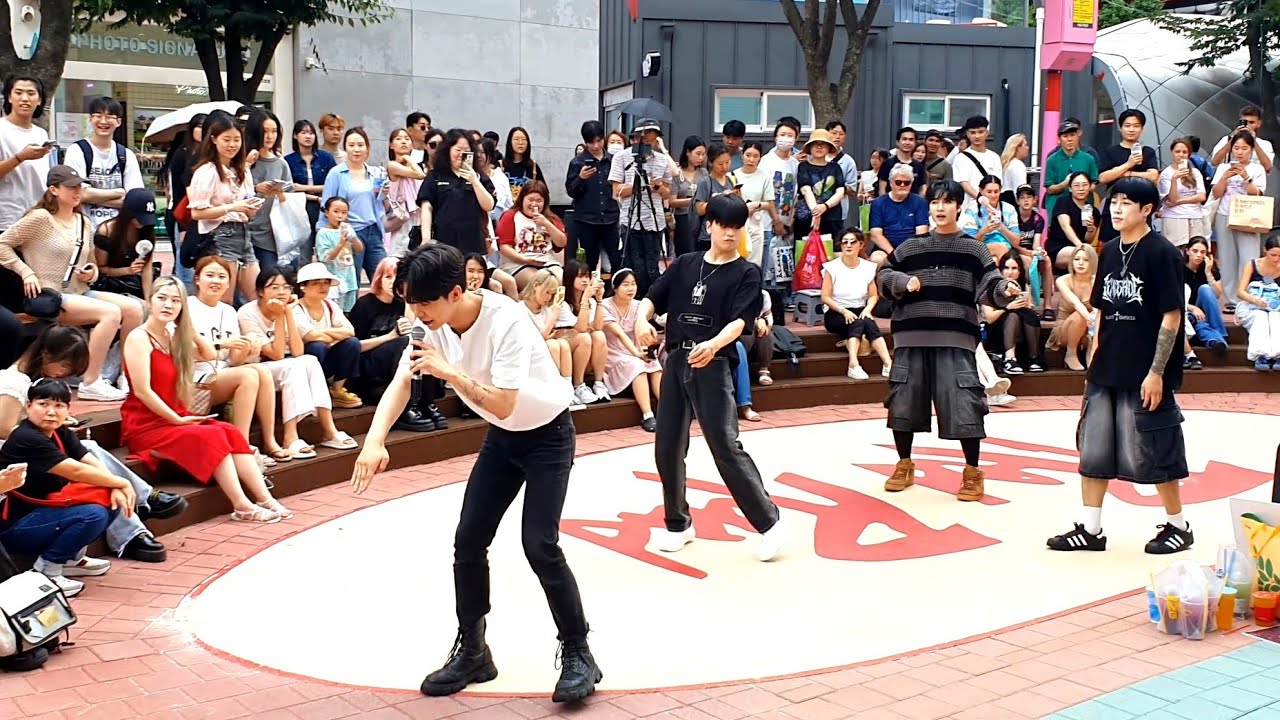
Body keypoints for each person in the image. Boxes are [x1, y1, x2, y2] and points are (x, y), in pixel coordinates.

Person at [350, 244, 601, 702]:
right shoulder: (431, 324)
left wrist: (450, 372)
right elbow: (403, 381)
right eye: (411, 303)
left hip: (548, 435)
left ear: (456, 292)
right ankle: (473, 651)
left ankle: (579, 651)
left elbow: (502, 400)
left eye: (426, 303)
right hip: (503, 439)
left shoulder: (505, 320)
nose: (418, 314)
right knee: (468, 540)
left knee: (539, 544)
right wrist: (373, 440)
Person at [630, 194, 783, 560]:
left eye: (737, 226)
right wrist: (640, 320)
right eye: (724, 225)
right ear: (709, 225)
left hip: (712, 364)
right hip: (676, 361)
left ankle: (769, 523)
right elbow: (653, 297)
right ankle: (677, 523)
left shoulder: (746, 272)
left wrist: (713, 345)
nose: (730, 233)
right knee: (667, 446)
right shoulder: (686, 263)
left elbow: (741, 321)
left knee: (725, 446)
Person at [1047, 177, 1193, 555]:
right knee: (1092, 450)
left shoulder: (1162, 253)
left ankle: (1178, 525)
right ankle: (1091, 530)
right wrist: (1093, 361)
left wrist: (1157, 372)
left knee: (1158, 447)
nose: (1115, 209)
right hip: (1106, 369)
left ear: (1147, 210)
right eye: (1113, 202)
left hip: (1145, 371)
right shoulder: (1109, 249)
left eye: (1126, 203)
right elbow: (1102, 312)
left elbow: (1171, 317)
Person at [876, 180, 1021, 502]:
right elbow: (883, 276)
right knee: (904, 401)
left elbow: (991, 282)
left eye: (947, 202)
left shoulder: (974, 248)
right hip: (911, 336)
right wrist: (902, 280)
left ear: (958, 207)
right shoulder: (911, 247)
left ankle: (972, 472)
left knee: (965, 405)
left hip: (956, 337)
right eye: (935, 203)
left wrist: (1005, 291)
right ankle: (904, 464)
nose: (940, 208)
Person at [0, 326, 185, 565]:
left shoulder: (32, 380)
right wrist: (45, 430)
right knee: (88, 454)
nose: (64, 374)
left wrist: (51, 421)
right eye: (65, 367)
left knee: (89, 448)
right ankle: (141, 504)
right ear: (47, 355)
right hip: (15, 457)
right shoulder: (14, 383)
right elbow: (5, 429)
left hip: (34, 448)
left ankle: (141, 501)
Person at [121, 276, 289, 523]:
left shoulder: (170, 335)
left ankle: (265, 499)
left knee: (230, 432)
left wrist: (186, 329)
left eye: (176, 301)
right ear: (150, 301)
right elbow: (143, 391)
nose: (168, 305)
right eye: (162, 298)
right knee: (212, 436)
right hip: (147, 424)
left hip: (176, 416)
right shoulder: (139, 338)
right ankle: (241, 505)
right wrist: (177, 419)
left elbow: (209, 354)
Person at [0, 165, 136, 402]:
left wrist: (91, 273)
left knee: (135, 308)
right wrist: (26, 272)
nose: (77, 191)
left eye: (79, 187)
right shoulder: (40, 218)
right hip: (49, 295)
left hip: (79, 291)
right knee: (111, 313)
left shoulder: (83, 221)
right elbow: (3, 244)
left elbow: (92, 262)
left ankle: (124, 373)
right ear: (54, 189)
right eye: (71, 187)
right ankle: (91, 381)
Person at [0, 379, 124, 597]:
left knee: (112, 500)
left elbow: (89, 460)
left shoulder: (59, 431)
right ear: (28, 406)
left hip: (43, 514)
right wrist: (121, 482)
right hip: (13, 527)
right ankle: (47, 569)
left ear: (67, 409)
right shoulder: (26, 438)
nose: (51, 412)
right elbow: (74, 471)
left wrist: (114, 485)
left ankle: (70, 559)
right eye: (43, 404)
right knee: (92, 514)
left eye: (58, 406)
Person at [238, 266, 355, 456]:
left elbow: (298, 351)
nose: (281, 292)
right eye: (274, 287)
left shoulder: (290, 309)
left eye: (285, 287)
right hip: (256, 367)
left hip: (282, 364)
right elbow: (274, 354)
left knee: (308, 360)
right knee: (295, 366)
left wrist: (288, 314)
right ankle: (290, 437)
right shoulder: (248, 313)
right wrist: (278, 317)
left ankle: (329, 430)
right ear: (261, 291)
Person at [186, 256, 289, 463]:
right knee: (248, 376)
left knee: (261, 371)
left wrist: (246, 345)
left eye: (222, 277)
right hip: (194, 376)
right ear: (197, 279)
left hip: (222, 372)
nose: (216, 281)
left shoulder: (228, 310)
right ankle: (241, 445)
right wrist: (223, 344)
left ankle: (269, 440)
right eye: (210, 275)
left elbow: (234, 360)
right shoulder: (187, 306)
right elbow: (183, 352)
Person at [348, 257, 445, 431]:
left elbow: (411, 330)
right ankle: (406, 408)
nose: (393, 282)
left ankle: (426, 402)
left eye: (398, 278)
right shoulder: (364, 305)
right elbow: (355, 347)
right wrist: (390, 336)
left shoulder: (401, 303)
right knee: (403, 344)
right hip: (369, 366)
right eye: (388, 277)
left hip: (396, 361)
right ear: (378, 279)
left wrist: (408, 298)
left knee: (418, 341)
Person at [186, 112, 261, 303]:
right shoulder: (207, 171)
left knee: (260, 297)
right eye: (226, 139)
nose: (232, 145)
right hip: (220, 236)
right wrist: (233, 207)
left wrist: (250, 207)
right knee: (222, 301)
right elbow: (197, 213)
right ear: (213, 139)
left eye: (237, 139)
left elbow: (247, 207)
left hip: (244, 234)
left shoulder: (242, 170)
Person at [610, 118, 675, 297]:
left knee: (652, 267)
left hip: (655, 221)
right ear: (635, 139)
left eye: (653, 141)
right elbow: (616, 191)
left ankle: (652, 303)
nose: (650, 144)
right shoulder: (621, 157)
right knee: (633, 266)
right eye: (646, 140)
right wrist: (639, 184)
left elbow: (667, 193)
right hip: (630, 221)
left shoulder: (661, 160)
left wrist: (657, 186)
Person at [292, 262, 365, 414]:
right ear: (303, 287)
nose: (323, 287)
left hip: (327, 356)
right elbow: (311, 335)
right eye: (316, 283)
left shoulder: (330, 305)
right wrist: (333, 334)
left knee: (352, 343)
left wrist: (323, 333)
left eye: (325, 283)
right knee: (316, 345)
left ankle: (337, 390)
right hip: (304, 360)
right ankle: (316, 392)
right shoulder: (296, 309)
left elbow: (350, 331)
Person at [62, 97, 144, 230]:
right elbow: (77, 194)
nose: (103, 121)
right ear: (90, 119)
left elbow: (135, 200)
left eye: (109, 116)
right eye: (98, 116)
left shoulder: (126, 155)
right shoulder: (77, 151)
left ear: (118, 122)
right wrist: (119, 192)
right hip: (85, 231)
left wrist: (90, 195)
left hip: (118, 232)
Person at [821, 228, 893, 380]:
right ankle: (853, 364)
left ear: (860, 245)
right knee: (858, 323)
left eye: (852, 242)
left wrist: (868, 309)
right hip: (836, 311)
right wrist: (843, 311)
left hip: (860, 308)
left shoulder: (868, 267)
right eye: (844, 242)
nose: (848, 245)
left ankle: (888, 363)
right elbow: (825, 297)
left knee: (869, 323)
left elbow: (873, 295)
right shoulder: (831, 267)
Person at [319, 127, 388, 285]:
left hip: (374, 231)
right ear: (345, 148)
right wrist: (325, 234)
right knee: (350, 282)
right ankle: (349, 311)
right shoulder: (336, 173)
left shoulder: (375, 173)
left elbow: (383, 207)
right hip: (348, 233)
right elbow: (326, 206)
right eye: (351, 145)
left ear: (367, 148)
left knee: (383, 279)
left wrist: (386, 194)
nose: (356, 149)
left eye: (360, 145)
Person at [417, 129, 496, 257]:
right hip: (443, 241)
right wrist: (425, 238)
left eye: (466, 150)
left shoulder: (479, 176)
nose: (462, 154)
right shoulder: (436, 175)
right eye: (458, 150)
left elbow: (489, 205)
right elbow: (427, 207)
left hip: (472, 242)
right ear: (448, 150)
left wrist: (474, 181)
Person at [601, 269, 663, 430]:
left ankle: (666, 411)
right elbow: (620, 334)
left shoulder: (638, 305)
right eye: (625, 285)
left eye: (633, 284)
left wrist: (643, 350)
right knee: (636, 366)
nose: (630, 288)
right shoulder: (605, 305)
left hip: (635, 349)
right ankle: (647, 414)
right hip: (614, 353)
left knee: (654, 365)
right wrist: (636, 354)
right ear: (615, 287)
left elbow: (639, 328)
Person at [1212, 130, 1268, 306]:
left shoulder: (1257, 169)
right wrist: (1225, 177)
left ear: (1251, 149)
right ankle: (1231, 298)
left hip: (1248, 215)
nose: (1240, 152)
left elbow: (1258, 194)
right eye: (1236, 148)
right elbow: (1216, 193)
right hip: (1225, 214)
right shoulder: (1223, 167)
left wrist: (1245, 177)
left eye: (1244, 148)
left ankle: (1248, 295)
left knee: (1248, 256)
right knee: (1227, 258)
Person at [0, 75, 55, 234]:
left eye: (31, 93)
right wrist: (20, 157)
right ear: (9, 97)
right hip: (7, 220)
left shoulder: (41, 134)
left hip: (39, 218)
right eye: (18, 92)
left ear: (39, 100)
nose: (25, 98)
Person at [565, 121, 619, 270]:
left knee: (616, 259)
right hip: (587, 220)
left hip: (611, 218)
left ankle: (615, 289)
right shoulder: (577, 162)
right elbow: (570, 191)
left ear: (603, 139)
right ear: (585, 142)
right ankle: (589, 290)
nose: (595, 146)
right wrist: (580, 178)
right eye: (591, 142)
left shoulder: (613, 160)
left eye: (599, 141)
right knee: (589, 261)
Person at [1097, 109, 1160, 238]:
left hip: (1139, 207)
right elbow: (1102, 178)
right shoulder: (1110, 152)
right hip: (1115, 207)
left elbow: (1153, 176)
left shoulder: (1147, 152)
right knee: (1112, 246)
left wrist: (1127, 174)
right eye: (1127, 125)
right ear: (1120, 128)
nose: (1131, 129)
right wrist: (1128, 164)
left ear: (1142, 129)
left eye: (1136, 126)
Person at [244, 110, 294, 269]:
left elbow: (289, 198)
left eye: (274, 131)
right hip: (242, 231)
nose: (270, 136)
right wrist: (255, 187)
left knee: (269, 279)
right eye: (265, 131)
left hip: (270, 234)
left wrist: (279, 192)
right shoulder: (242, 160)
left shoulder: (281, 163)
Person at [496, 181, 567, 290]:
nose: (534, 204)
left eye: (539, 201)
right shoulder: (510, 216)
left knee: (562, 281)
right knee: (538, 283)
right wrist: (525, 260)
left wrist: (547, 224)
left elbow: (562, 243)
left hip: (547, 262)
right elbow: (504, 247)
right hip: (518, 263)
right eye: (530, 200)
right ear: (522, 199)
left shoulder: (551, 219)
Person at [285, 119, 338, 264]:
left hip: (324, 208)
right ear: (295, 136)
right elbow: (289, 190)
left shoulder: (326, 158)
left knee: (326, 251)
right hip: (301, 209)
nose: (308, 136)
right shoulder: (288, 161)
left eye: (311, 133)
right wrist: (314, 197)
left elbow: (332, 184)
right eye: (303, 133)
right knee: (304, 253)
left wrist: (303, 188)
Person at [558, 259, 611, 404]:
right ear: (570, 278)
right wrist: (586, 298)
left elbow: (598, 326)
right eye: (580, 276)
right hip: (564, 349)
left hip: (583, 352)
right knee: (584, 337)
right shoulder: (562, 303)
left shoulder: (591, 302)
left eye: (587, 277)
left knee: (599, 336)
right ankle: (578, 385)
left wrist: (599, 300)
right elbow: (580, 328)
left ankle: (598, 383)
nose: (585, 280)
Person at [982, 253, 1044, 374]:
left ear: (1020, 271)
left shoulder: (1024, 287)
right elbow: (989, 318)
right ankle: (1009, 358)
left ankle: (1034, 357)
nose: (1010, 272)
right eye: (1006, 268)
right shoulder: (990, 287)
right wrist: (1007, 308)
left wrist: (1026, 305)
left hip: (1020, 333)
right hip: (996, 332)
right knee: (1012, 314)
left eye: (1014, 268)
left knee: (1029, 314)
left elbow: (1029, 309)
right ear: (1000, 270)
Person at [91, 188, 158, 300]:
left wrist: (148, 299)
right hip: (110, 285)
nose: (143, 223)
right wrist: (128, 270)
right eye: (140, 218)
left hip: (135, 284)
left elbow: (147, 268)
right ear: (128, 213)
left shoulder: (146, 231)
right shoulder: (107, 231)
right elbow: (100, 269)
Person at [1046, 245, 1098, 371]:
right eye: (1076, 259)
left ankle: (1092, 350)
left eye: (1085, 260)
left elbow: (1099, 307)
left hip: (1089, 330)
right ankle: (1071, 354)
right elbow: (1076, 303)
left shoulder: (1096, 280)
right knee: (1080, 314)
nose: (1080, 263)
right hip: (1065, 330)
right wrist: (1090, 318)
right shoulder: (1063, 280)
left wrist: (1094, 322)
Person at [1235, 235, 1280, 370]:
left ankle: (1277, 354)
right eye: (1273, 255)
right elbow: (1240, 292)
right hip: (1252, 306)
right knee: (1260, 318)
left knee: (1275, 318)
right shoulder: (1252, 264)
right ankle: (1260, 355)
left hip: (1275, 307)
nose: (1277, 259)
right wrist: (1256, 300)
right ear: (1265, 250)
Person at [868, 164, 929, 263]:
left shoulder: (920, 202)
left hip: (912, 248)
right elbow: (876, 235)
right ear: (891, 183)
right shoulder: (878, 203)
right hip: (886, 249)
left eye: (907, 183)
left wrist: (907, 252)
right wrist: (894, 254)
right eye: (898, 182)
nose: (902, 185)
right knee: (877, 258)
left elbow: (921, 233)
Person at [794, 129, 846, 240]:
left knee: (831, 253)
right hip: (807, 218)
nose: (819, 147)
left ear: (828, 148)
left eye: (823, 145)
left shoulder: (835, 167)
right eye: (815, 144)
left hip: (832, 217)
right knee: (804, 253)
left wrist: (824, 206)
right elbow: (805, 190)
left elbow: (840, 191)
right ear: (810, 147)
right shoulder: (803, 167)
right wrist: (816, 212)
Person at [1157, 137, 1207, 248]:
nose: (1181, 155)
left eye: (1184, 152)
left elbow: (1202, 196)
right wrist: (1174, 179)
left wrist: (1180, 201)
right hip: (1174, 217)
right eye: (1177, 151)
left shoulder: (1195, 172)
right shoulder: (1167, 174)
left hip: (1194, 216)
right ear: (1172, 152)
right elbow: (1171, 200)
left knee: (1195, 250)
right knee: (1177, 250)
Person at [314, 196, 363, 311]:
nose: (340, 216)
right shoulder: (323, 233)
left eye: (344, 213)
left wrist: (353, 238)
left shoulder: (347, 228)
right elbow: (326, 258)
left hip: (349, 278)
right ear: (326, 212)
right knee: (334, 311)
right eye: (336, 212)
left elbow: (359, 249)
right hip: (333, 282)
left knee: (349, 311)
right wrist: (340, 244)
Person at [1182, 237, 1229, 356]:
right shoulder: (1178, 268)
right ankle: (1217, 338)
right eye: (1195, 251)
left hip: (1205, 311)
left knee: (1205, 289)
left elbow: (1217, 295)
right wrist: (1192, 308)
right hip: (1185, 310)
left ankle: (1218, 333)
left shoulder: (1209, 268)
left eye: (1203, 252)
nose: (1198, 255)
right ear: (1187, 251)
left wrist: (1208, 273)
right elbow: (1173, 297)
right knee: (1200, 324)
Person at [385, 128, 428, 259]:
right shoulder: (392, 165)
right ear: (391, 145)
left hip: (418, 218)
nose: (403, 142)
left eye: (407, 139)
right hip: (401, 219)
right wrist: (407, 157)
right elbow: (419, 175)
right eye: (398, 139)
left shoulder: (415, 165)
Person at [1042, 120, 1100, 214]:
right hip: (1057, 206)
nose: (1069, 139)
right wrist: (1064, 184)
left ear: (1078, 136)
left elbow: (1094, 182)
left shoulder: (1089, 158)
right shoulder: (1052, 160)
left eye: (1072, 135)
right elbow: (1050, 188)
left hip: (1083, 207)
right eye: (1065, 136)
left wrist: (1082, 189)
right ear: (1059, 139)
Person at [733, 141, 776, 266]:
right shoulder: (734, 175)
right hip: (737, 222)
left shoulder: (764, 176)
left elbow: (769, 203)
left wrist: (756, 205)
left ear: (760, 157)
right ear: (742, 155)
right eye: (748, 155)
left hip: (756, 222)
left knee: (754, 261)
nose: (751, 159)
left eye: (755, 156)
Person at [1047, 172, 1102, 270]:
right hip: (1059, 248)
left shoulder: (1094, 211)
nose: (1081, 189)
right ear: (1070, 188)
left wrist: (1090, 229)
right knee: (1083, 257)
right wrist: (1081, 247)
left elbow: (1088, 239)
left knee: (1089, 258)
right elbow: (1065, 226)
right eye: (1076, 185)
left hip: (1082, 249)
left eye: (1085, 185)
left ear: (1090, 187)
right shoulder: (1063, 202)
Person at [1013, 184, 1054, 316]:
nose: (1026, 200)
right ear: (1017, 201)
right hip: (1015, 251)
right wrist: (1030, 253)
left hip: (1031, 252)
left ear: (1035, 199)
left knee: (1046, 260)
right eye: (1022, 197)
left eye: (1029, 197)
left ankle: (1047, 306)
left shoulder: (1038, 219)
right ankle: (1028, 302)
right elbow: (1012, 244)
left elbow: (1036, 242)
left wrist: (1040, 252)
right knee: (1027, 261)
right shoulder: (1012, 216)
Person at [959, 175, 1021, 261]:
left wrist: (1000, 226)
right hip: (981, 248)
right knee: (999, 249)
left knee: (1027, 261)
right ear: (981, 191)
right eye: (989, 192)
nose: (993, 195)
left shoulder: (1009, 209)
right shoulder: (972, 210)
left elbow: (1016, 242)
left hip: (1007, 249)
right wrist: (985, 230)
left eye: (996, 192)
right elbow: (970, 243)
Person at [694, 143, 737, 252]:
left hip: (728, 232)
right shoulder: (705, 182)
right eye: (720, 164)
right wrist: (721, 197)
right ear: (711, 163)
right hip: (708, 235)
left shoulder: (731, 180)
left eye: (727, 162)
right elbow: (699, 209)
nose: (725, 167)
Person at [952, 116, 1004, 206]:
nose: (977, 136)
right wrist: (980, 199)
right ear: (968, 134)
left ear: (987, 133)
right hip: (968, 207)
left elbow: (997, 183)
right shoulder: (960, 158)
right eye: (973, 133)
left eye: (981, 132)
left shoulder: (994, 157)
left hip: (991, 206)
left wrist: (990, 202)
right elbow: (963, 183)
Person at [670, 135, 707, 259]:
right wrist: (691, 201)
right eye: (698, 154)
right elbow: (672, 201)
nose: (700, 158)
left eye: (703, 154)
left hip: (700, 217)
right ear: (687, 152)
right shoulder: (677, 173)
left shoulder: (703, 173)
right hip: (683, 218)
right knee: (686, 252)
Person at [1210, 105, 1274, 173]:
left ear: (1258, 124)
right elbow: (1214, 162)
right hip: (1228, 180)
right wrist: (1233, 139)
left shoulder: (1265, 144)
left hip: (1252, 181)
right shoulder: (1226, 140)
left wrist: (1254, 141)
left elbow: (1268, 168)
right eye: (1244, 122)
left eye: (1251, 122)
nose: (1247, 125)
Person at [502, 127, 546, 204]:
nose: (520, 142)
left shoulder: (533, 166)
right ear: (510, 142)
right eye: (516, 139)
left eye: (524, 139)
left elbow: (543, 191)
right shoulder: (501, 165)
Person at [826, 120, 860, 223]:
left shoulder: (848, 161)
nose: (837, 136)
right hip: (815, 209)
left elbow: (852, 189)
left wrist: (835, 185)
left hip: (838, 211)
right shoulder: (817, 156)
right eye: (834, 133)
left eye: (841, 134)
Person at [878, 127, 925, 196]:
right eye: (904, 139)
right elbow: (882, 188)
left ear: (915, 143)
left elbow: (922, 188)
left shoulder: (918, 166)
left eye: (911, 140)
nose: (907, 142)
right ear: (897, 142)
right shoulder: (888, 163)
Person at [1000, 134, 1030, 205]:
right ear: (1018, 147)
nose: (1027, 148)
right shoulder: (1017, 165)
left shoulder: (1006, 164)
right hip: (1013, 203)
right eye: (1025, 145)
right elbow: (1020, 188)